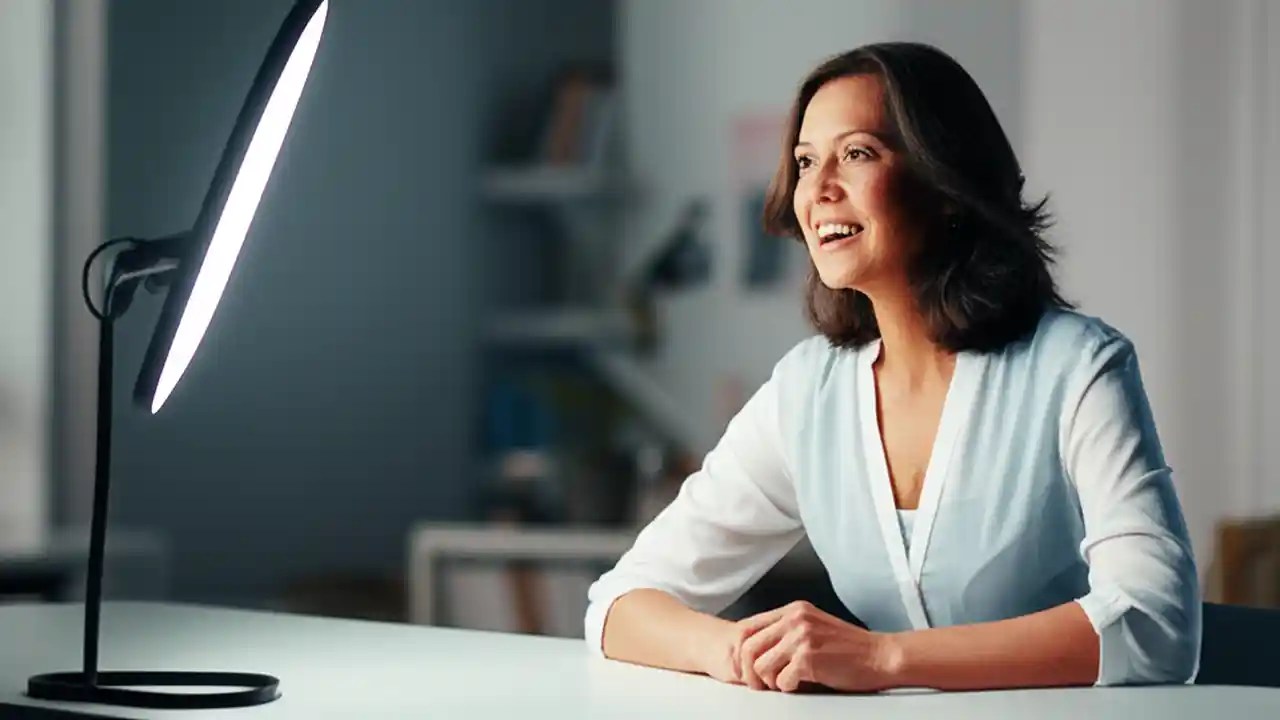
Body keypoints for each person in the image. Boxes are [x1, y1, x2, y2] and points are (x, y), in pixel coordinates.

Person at [584, 42, 1200, 693]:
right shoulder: (806, 392)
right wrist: (744, 650)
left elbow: (1156, 622)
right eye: (804, 161)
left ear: (945, 186)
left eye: (856, 154)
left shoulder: (1077, 369)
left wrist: (883, 659)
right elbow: (620, 603)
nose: (818, 189)